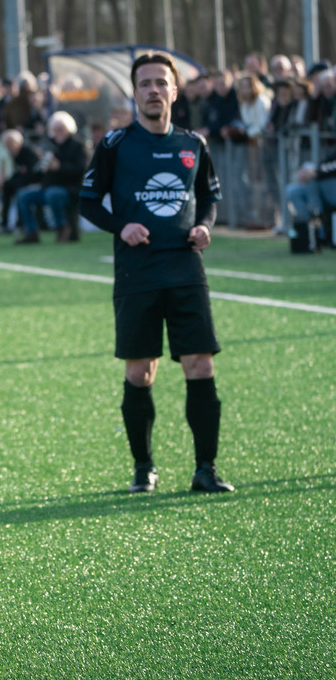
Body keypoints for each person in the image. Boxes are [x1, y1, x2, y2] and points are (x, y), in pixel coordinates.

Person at [79, 52, 233, 495]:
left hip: (186, 268)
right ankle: (143, 467)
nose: (152, 90)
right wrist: (120, 225)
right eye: (144, 83)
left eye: (160, 83)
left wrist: (206, 224)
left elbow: (209, 198)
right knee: (140, 373)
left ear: (174, 91)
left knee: (200, 366)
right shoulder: (114, 144)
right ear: (134, 91)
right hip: (137, 273)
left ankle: (206, 469)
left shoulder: (193, 145)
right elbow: (88, 201)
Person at [15, 110, 88, 244]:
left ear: (69, 129)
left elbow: (81, 170)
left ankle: (62, 227)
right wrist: (41, 164)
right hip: (48, 187)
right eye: (55, 129)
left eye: (60, 129)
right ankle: (31, 232)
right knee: (23, 195)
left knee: (52, 194)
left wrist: (59, 167)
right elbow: (38, 174)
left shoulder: (78, 146)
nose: (57, 133)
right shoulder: (49, 145)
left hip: (69, 188)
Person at [0, 128, 41, 234]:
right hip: (23, 180)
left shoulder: (27, 152)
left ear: (18, 142)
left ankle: (20, 224)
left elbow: (32, 173)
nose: (8, 147)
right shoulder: (14, 155)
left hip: (34, 182)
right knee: (7, 186)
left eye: (10, 144)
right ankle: (4, 223)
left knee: (19, 192)